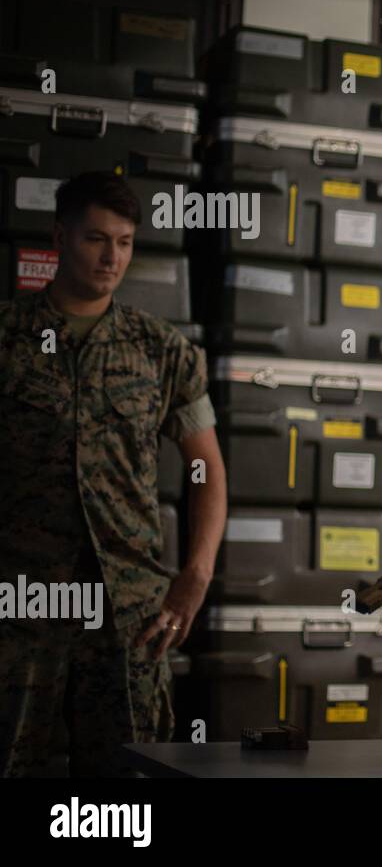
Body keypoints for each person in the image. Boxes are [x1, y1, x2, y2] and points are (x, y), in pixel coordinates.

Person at [0, 171, 227, 776]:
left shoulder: (160, 349)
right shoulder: (7, 338)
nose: (111, 257)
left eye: (124, 242)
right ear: (59, 236)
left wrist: (195, 577)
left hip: (129, 613)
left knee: (125, 788)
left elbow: (205, 467)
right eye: (96, 239)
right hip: (22, 606)